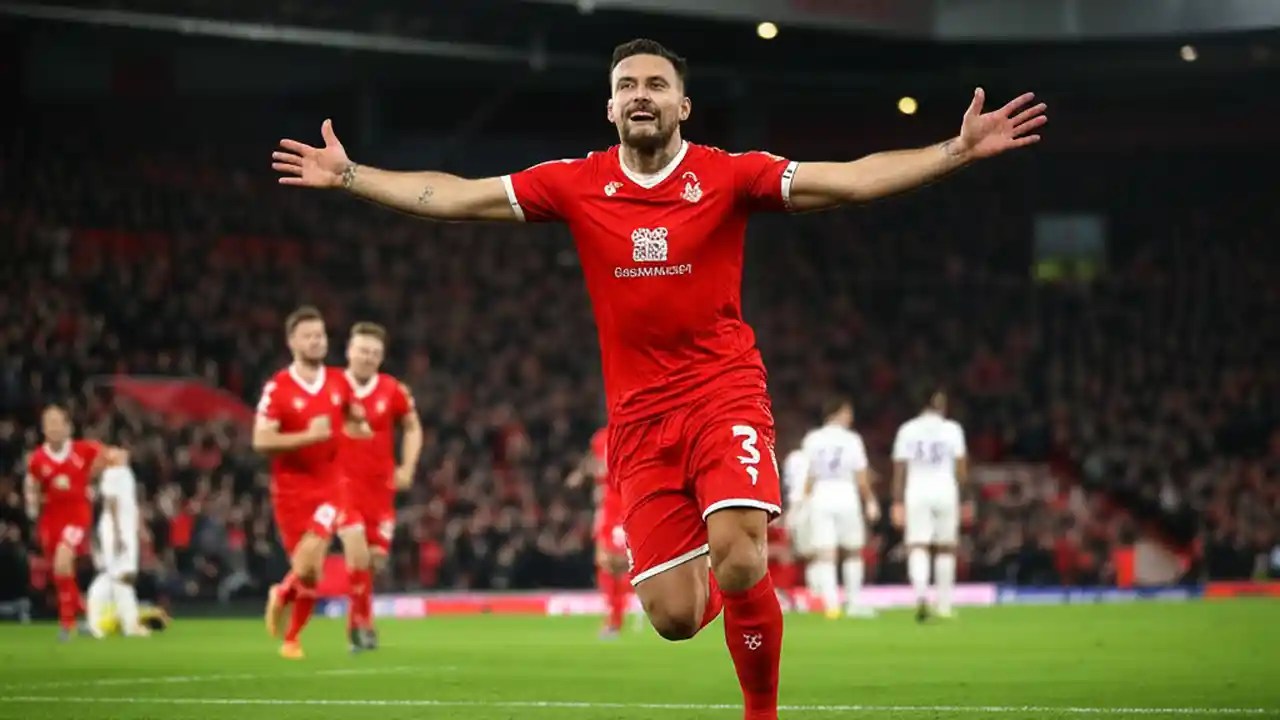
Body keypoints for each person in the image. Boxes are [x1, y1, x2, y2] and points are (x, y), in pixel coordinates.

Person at [272, 38, 1045, 718]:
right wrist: (350, 178)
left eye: (655, 85)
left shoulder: (728, 174)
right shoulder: (575, 182)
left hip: (723, 392)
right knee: (674, 617)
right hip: (638, 421)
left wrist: (953, 151)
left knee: (742, 554)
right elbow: (459, 197)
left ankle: (761, 709)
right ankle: (728, 578)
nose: (641, 95)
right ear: (610, 108)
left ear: (683, 103)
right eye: (627, 86)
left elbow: (846, 180)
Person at [253, 306, 372, 659]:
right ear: (292, 342)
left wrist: (359, 422)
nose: (317, 341)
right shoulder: (278, 388)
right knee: (307, 570)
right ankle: (284, 592)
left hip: (330, 486)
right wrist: (307, 436)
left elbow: (351, 413)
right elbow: (261, 440)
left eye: (320, 335)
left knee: (317, 560)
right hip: (290, 488)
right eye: (309, 336)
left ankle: (292, 640)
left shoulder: (338, 380)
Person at [336, 321, 422, 652]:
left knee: (373, 561)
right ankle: (358, 631)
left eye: (374, 352)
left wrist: (408, 466)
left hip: (380, 489)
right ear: (349, 351)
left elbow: (413, 428)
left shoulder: (392, 389)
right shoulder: (331, 387)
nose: (368, 357)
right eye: (362, 350)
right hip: (342, 486)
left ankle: (362, 622)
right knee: (356, 552)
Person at [23, 404, 128, 640]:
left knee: (63, 558)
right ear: (43, 429)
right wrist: (31, 504)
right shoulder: (38, 458)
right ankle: (83, 610)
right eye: (49, 423)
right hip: (50, 519)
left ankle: (66, 624)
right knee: (61, 571)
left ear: (68, 427)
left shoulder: (82, 450)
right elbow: (32, 483)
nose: (54, 427)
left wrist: (98, 474)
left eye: (58, 422)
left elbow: (117, 455)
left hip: (77, 515)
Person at [891, 387, 971, 622]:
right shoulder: (952, 429)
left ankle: (921, 597)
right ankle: (944, 606)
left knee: (918, 546)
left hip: (916, 492)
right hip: (946, 491)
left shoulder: (907, 430)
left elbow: (900, 469)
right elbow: (961, 467)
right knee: (946, 547)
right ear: (938, 403)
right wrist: (965, 496)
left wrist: (897, 501)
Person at [799, 398, 879, 618]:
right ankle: (853, 604)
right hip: (846, 495)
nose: (850, 417)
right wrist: (870, 501)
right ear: (839, 413)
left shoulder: (812, 439)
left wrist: (802, 505)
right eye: (848, 412)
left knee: (826, 553)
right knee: (852, 551)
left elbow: (809, 475)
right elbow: (861, 477)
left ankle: (831, 605)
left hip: (821, 497)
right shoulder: (852, 440)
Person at [567, 426, 629, 638]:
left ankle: (617, 617)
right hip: (607, 507)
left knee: (617, 562)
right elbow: (593, 460)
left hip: (624, 503)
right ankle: (613, 617)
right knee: (604, 560)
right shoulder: (600, 437)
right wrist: (581, 473)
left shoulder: (629, 432)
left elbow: (606, 469)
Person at [86, 462, 149, 637]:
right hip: (115, 530)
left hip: (119, 528)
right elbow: (111, 503)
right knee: (117, 576)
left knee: (115, 577)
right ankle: (126, 624)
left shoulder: (119, 475)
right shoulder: (114, 474)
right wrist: (117, 532)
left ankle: (112, 622)